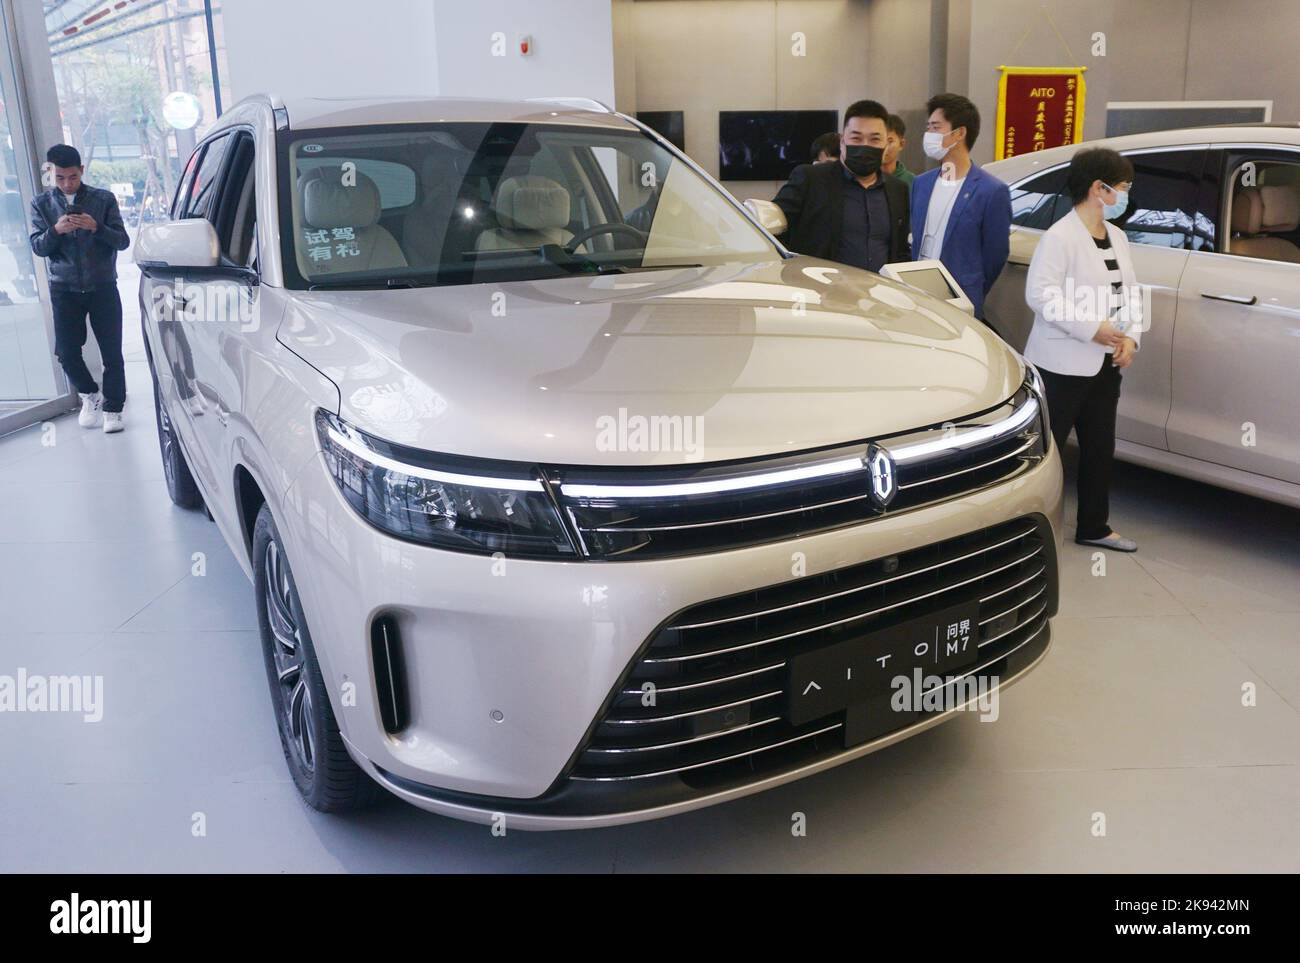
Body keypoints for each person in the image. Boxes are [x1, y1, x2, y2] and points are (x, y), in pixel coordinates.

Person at [1024, 147, 1142, 553]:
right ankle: (1033, 532)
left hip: (1105, 362)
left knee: (1099, 446)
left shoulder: (1119, 237)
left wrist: (1130, 337)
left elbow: (1129, 295)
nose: (1125, 196)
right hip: (1061, 362)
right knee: (1050, 451)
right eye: (1122, 188)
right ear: (1099, 188)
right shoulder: (1060, 237)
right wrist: (1093, 329)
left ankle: (1094, 525)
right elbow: (1040, 296)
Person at [29, 144, 130, 433]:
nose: (66, 183)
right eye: (59, 178)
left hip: (102, 286)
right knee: (66, 352)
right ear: (51, 174)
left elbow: (122, 241)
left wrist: (96, 227)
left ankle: (113, 409)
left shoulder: (103, 199)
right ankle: (90, 395)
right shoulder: (41, 204)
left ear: (81, 171)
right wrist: (56, 230)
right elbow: (38, 246)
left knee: (112, 352)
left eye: (72, 177)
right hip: (64, 289)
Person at [774, 100, 910, 273]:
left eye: (875, 139)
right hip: (820, 293)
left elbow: (900, 251)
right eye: (856, 138)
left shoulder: (898, 189)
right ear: (842, 141)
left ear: (885, 144)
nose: (865, 145)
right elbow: (773, 233)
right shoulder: (810, 179)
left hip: (879, 295)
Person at [908, 93, 1010, 323]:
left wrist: (970, 286)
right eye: (928, 128)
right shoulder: (921, 183)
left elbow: (995, 254)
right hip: (918, 293)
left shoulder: (991, 190)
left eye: (936, 127)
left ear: (960, 133)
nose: (929, 135)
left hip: (960, 298)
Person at [884, 114, 915, 186]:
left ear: (901, 144)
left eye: (890, 141)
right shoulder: (864, 179)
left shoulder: (913, 182)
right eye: (879, 140)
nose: (884, 146)